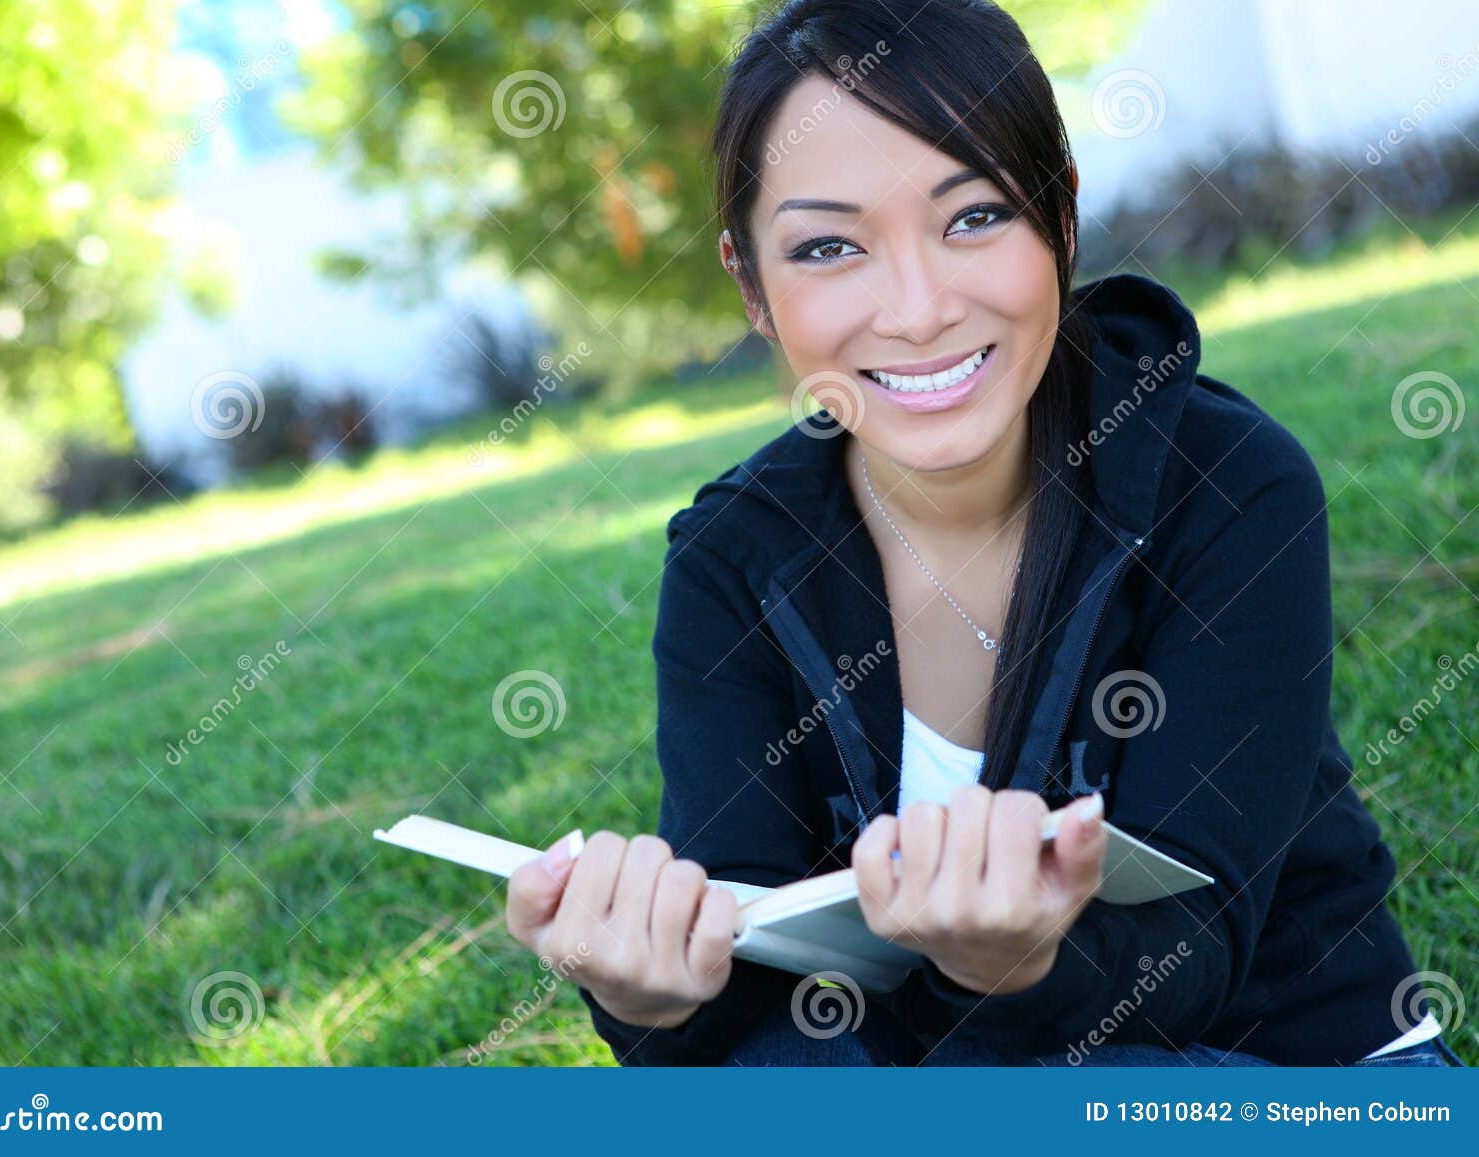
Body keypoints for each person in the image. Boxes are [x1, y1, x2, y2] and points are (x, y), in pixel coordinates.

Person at [504, 0, 1462, 1068]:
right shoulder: (736, 557)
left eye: (974, 217)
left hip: (1270, 1069)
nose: (916, 310)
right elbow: (751, 963)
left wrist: (1022, 963)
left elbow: (1195, 955)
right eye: (827, 246)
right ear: (752, 288)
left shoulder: (1227, 483)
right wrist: (653, 996)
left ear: (1061, 218)